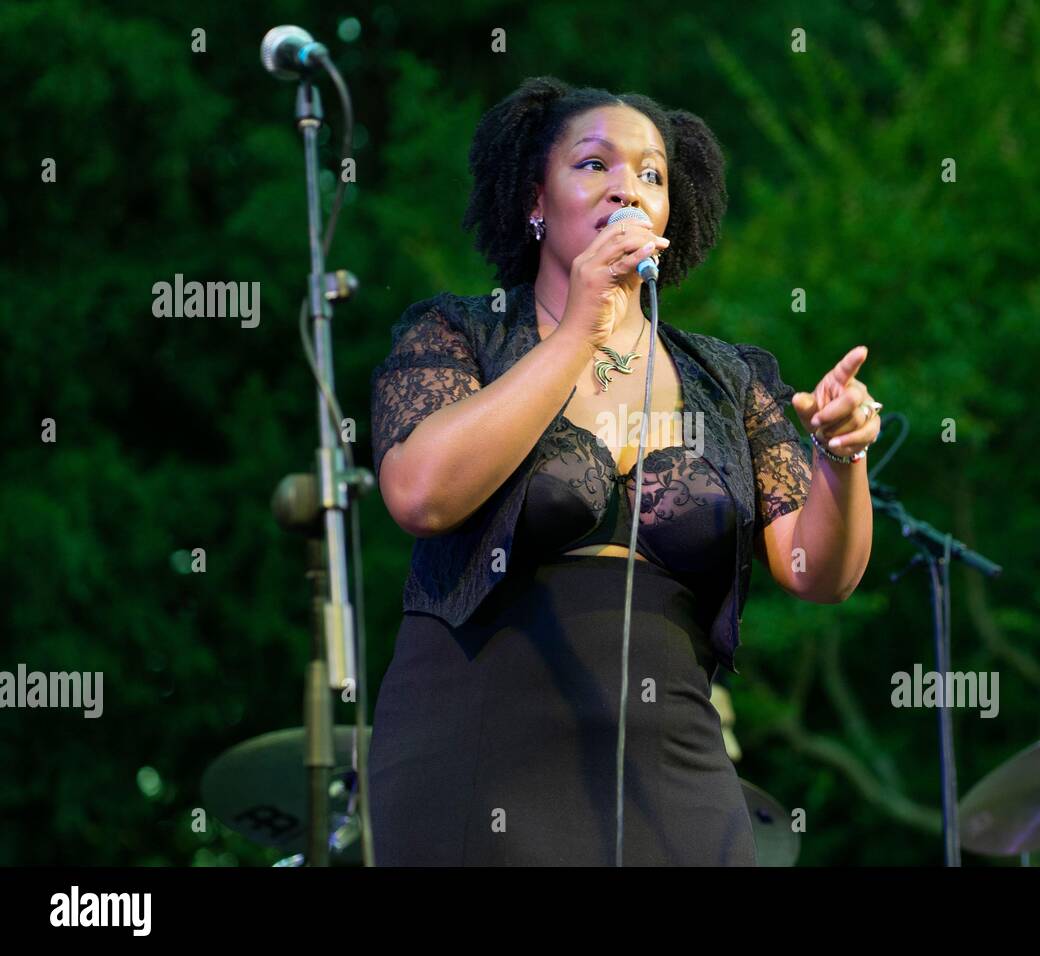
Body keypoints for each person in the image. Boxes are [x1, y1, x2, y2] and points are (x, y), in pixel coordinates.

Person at [367, 76, 880, 866]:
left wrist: (841, 459)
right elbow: (421, 494)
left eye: (651, 175)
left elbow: (819, 574)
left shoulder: (729, 378)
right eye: (595, 165)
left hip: (670, 766)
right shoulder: (462, 333)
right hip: (475, 748)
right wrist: (581, 324)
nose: (627, 190)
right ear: (537, 200)